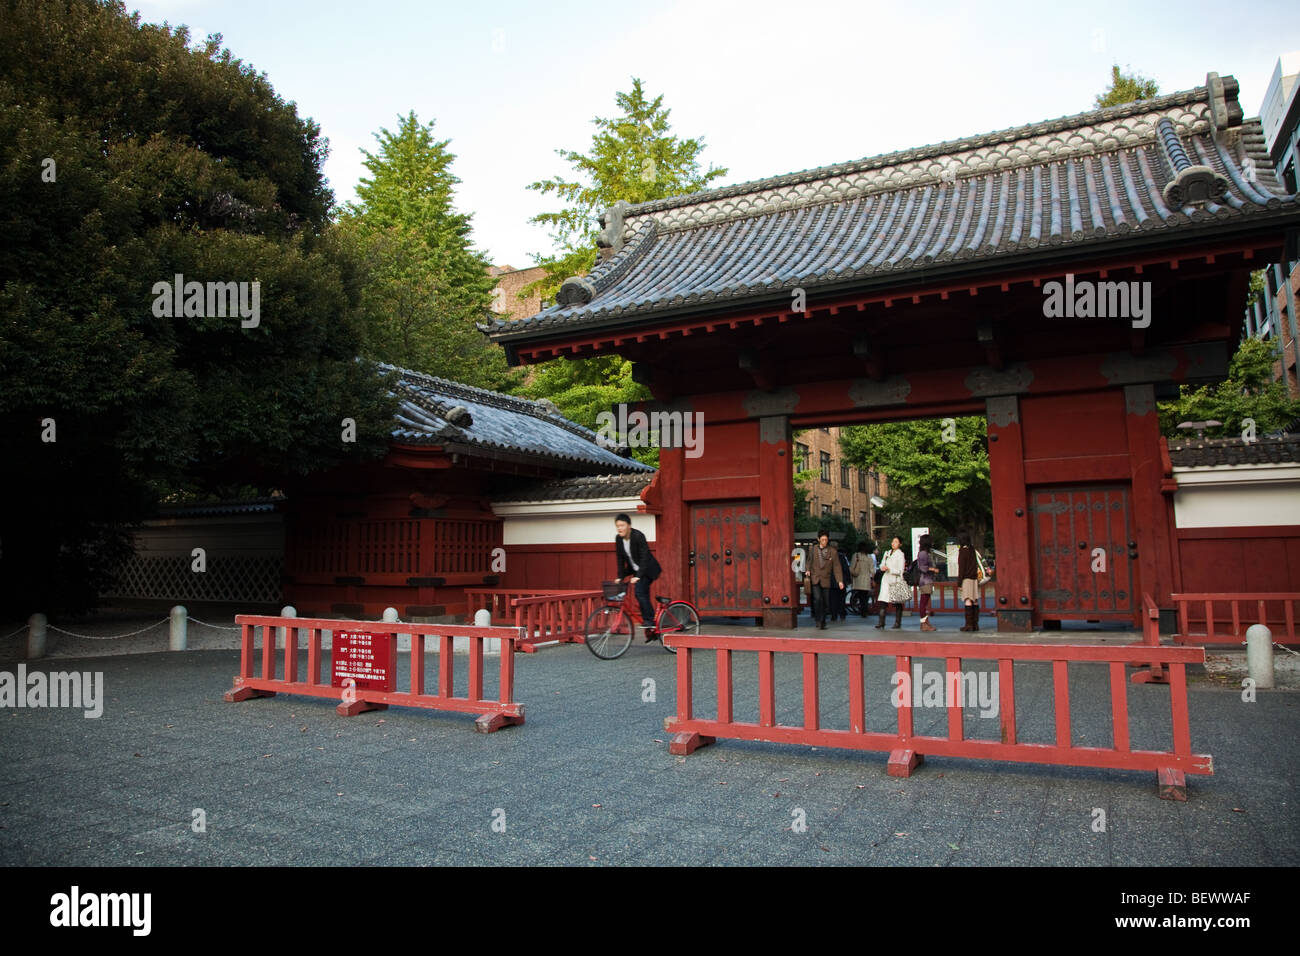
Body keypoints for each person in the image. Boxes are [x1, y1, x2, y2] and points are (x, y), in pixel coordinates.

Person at [614, 513, 662, 641]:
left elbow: (644, 557)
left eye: (622, 525)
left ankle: (650, 621)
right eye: (617, 526)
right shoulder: (619, 539)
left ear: (629, 526)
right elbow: (620, 559)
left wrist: (638, 576)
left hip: (648, 569)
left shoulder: (638, 536)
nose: (619, 528)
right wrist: (620, 576)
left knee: (639, 592)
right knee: (641, 595)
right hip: (635, 569)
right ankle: (651, 630)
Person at [806, 530, 844, 629]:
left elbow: (837, 567)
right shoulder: (813, 549)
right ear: (818, 539)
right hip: (815, 578)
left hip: (826, 579)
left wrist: (839, 581)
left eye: (826, 540)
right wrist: (807, 570)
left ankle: (822, 619)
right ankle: (819, 621)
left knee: (825, 602)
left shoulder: (833, 552)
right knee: (817, 599)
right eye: (822, 539)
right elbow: (809, 561)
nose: (824, 541)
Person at [876, 536, 907, 629]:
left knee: (897, 602)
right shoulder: (887, 552)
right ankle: (881, 622)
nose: (894, 543)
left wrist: (890, 569)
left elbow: (900, 570)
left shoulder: (900, 554)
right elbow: (882, 563)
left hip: (895, 580)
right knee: (883, 601)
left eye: (896, 542)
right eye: (893, 541)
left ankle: (897, 622)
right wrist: (883, 567)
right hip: (886, 579)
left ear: (900, 544)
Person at [957, 532, 980, 632]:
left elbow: (961, 568)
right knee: (974, 600)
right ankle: (975, 624)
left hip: (966, 578)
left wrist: (959, 582)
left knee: (968, 600)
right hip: (974, 578)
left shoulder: (963, 551)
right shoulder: (972, 549)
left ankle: (968, 624)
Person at [915, 533, 939, 632]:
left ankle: (925, 622)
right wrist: (933, 569)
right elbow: (922, 567)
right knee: (923, 603)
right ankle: (923, 623)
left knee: (925, 602)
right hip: (925, 580)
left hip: (927, 580)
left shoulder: (925, 553)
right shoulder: (923, 553)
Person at [850, 542, 876, 616]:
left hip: (858, 578)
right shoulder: (869, 557)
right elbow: (872, 570)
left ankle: (862, 610)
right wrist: (872, 579)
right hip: (866, 578)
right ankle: (865, 610)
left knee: (860, 595)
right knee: (865, 596)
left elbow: (851, 567)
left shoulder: (856, 555)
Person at [830, 543, 851, 621]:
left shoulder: (829, 556)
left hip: (831, 581)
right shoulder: (842, 557)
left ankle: (833, 615)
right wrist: (848, 580)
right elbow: (846, 569)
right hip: (841, 580)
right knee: (842, 599)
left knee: (833, 599)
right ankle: (842, 613)